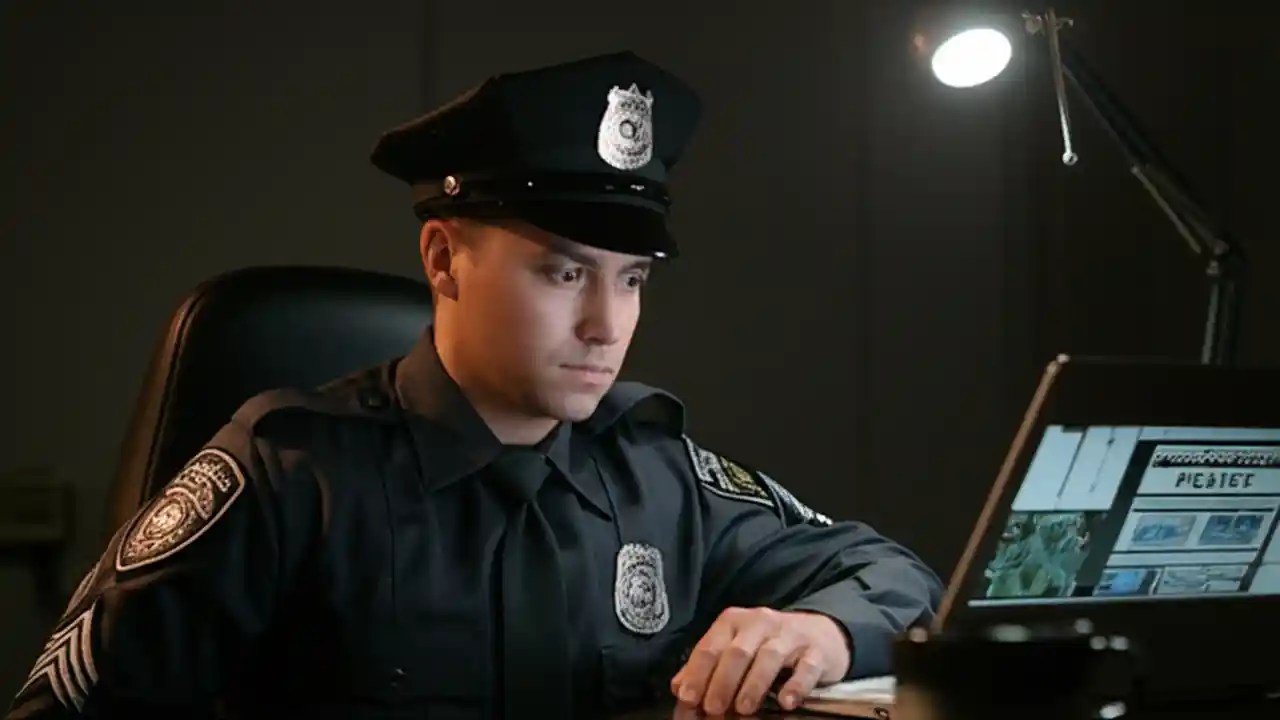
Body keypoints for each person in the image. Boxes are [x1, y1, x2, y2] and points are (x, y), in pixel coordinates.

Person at [6, 51, 943, 719]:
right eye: (566, 273)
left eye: (633, 279)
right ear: (445, 259)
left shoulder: (659, 473)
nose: (606, 326)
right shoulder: (289, 474)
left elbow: (902, 577)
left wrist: (822, 630)